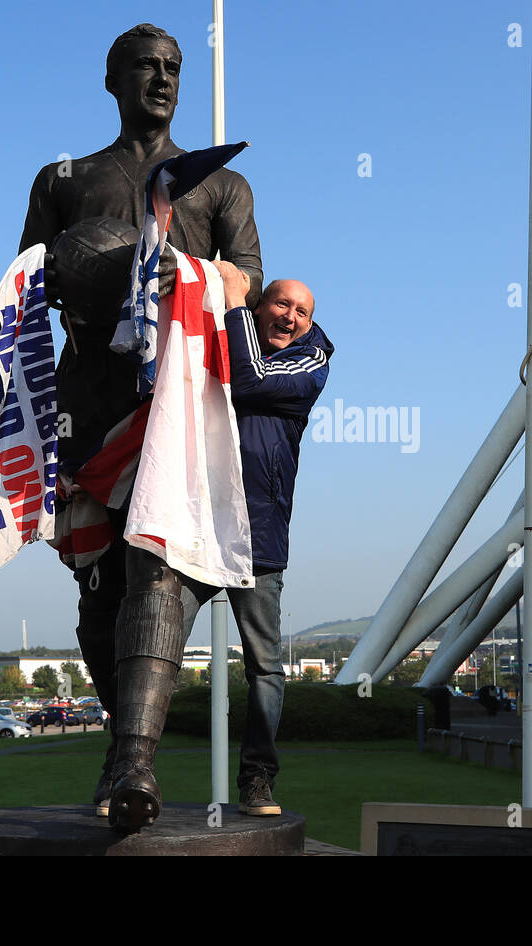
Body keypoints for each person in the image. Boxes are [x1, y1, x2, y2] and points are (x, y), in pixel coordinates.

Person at [15, 22, 262, 818]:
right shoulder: (66, 178)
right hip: (87, 398)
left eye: (173, 69)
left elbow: (246, 284)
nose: (162, 80)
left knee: (157, 565)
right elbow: (27, 280)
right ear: (114, 79)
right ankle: (121, 746)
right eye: (146, 68)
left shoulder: (219, 184)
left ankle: (135, 770)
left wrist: (179, 275)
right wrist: (81, 270)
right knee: (99, 588)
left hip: (177, 400)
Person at [106, 264, 333, 829]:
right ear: (263, 309)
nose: (291, 316)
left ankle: (257, 776)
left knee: (265, 669)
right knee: (149, 647)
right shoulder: (226, 338)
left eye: (302, 312)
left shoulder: (308, 364)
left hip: (257, 542)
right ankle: (127, 768)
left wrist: (232, 303)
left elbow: (249, 379)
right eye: (281, 304)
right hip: (195, 531)